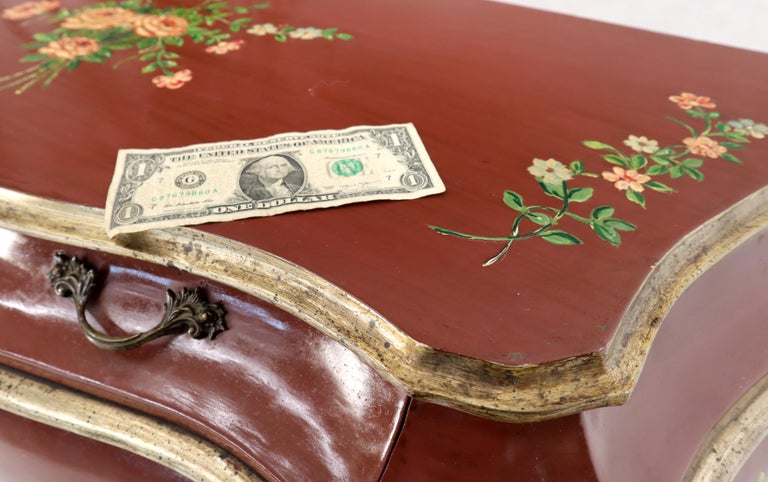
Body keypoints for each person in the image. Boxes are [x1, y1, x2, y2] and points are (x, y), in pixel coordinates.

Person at [239, 155, 303, 201]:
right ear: (258, 170)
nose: (279, 169)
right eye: (272, 166)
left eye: (283, 165)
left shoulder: (297, 189)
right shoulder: (248, 192)